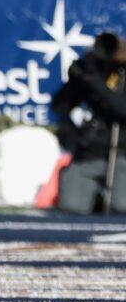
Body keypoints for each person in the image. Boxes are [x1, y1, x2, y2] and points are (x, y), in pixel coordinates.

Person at [53, 32, 126, 214]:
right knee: (71, 208)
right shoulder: (92, 75)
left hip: (122, 156)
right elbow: (60, 106)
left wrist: (95, 82)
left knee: (122, 208)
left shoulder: (116, 78)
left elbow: (121, 110)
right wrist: (77, 81)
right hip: (91, 154)